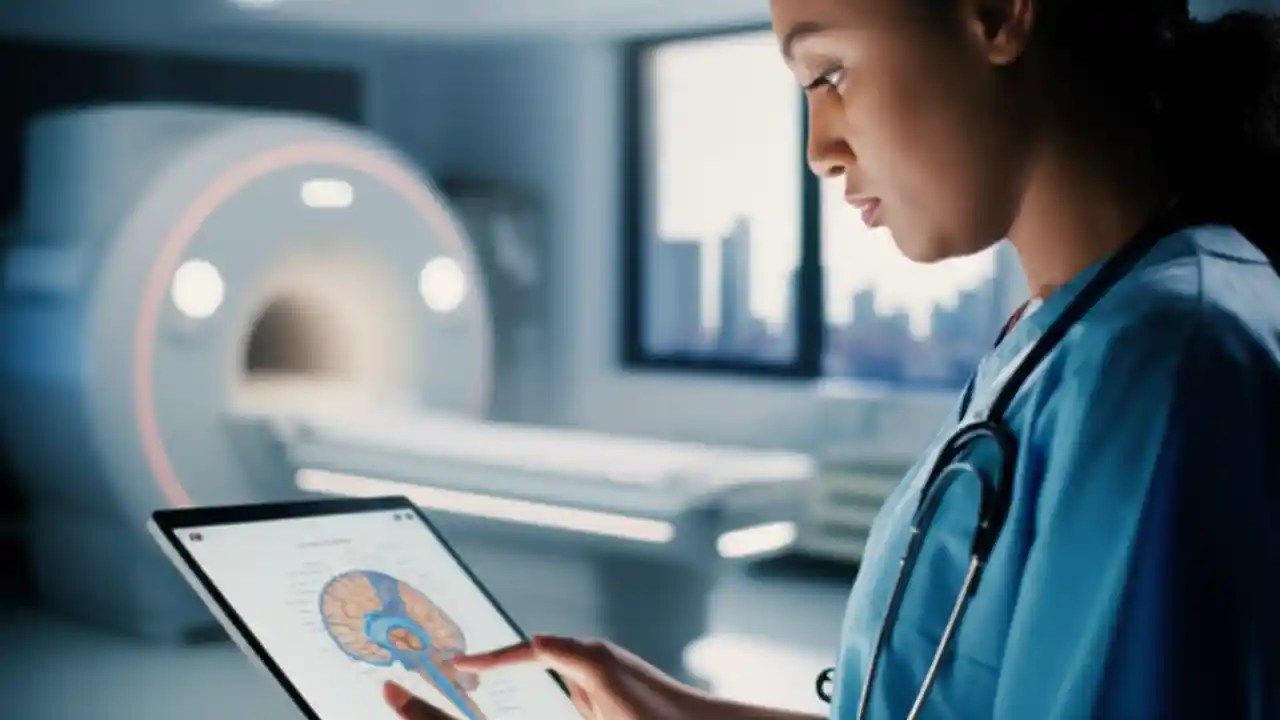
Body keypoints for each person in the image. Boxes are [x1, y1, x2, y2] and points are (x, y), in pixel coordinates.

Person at [382, 0, 1280, 717]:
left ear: (1001, 13)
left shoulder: (1167, 362)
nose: (819, 149)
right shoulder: (1054, 341)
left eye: (831, 72)